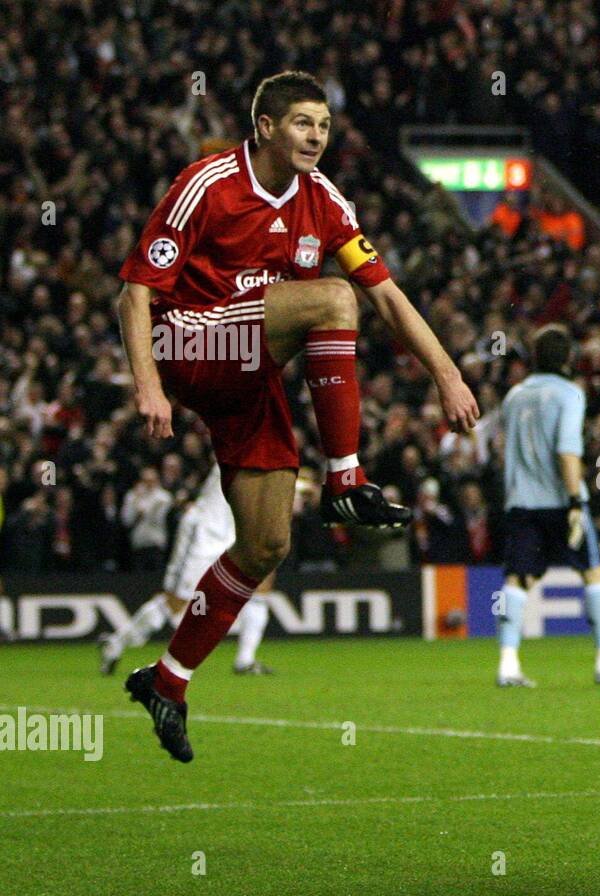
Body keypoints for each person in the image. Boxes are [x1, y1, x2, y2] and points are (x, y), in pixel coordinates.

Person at [115, 70, 479, 762]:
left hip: (249, 375)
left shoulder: (325, 202)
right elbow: (136, 292)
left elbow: (391, 296)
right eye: (304, 124)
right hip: (189, 341)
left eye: (325, 127)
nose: (317, 137)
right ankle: (345, 481)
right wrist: (148, 385)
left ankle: (167, 679)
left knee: (265, 544)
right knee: (331, 298)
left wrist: (447, 372)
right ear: (266, 127)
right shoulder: (209, 184)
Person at [494, 324, 600, 687]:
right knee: (594, 572)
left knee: (518, 578)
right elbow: (567, 450)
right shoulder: (570, 394)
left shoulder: (514, 396)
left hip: (520, 502)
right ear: (569, 358)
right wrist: (575, 499)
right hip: (561, 501)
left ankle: (508, 665)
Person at [99, 463, 275, 677]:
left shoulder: (269, 449)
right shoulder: (239, 442)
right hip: (204, 533)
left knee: (261, 586)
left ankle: (245, 660)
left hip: (236, 531)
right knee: (175, 603)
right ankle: (115, 644)